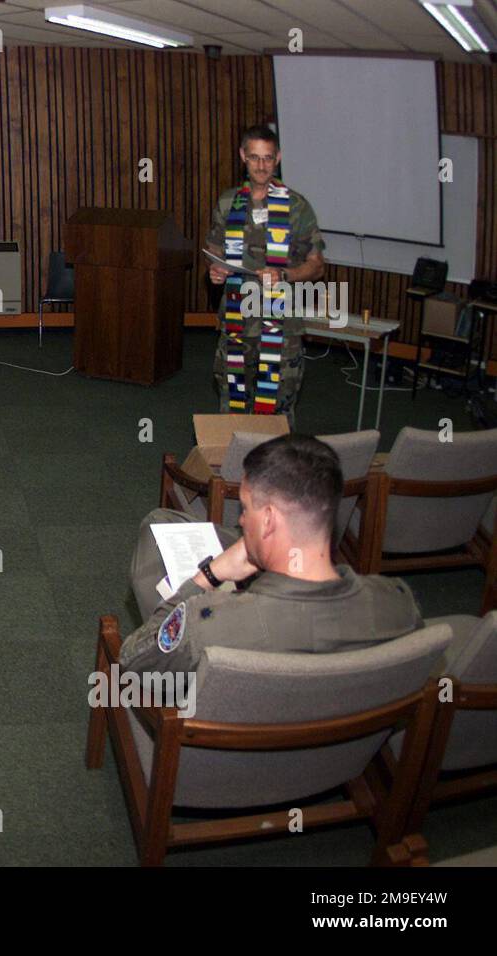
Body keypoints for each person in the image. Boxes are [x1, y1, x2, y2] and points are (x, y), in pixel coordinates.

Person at [121, 434, 422, 676]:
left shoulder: (211, 627)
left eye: (245, 508)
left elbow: (134, 659)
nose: (240, 521)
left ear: (268, 520)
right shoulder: (399, 602)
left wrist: (207, 576)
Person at [205, 125, 325, 422]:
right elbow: (214, 248)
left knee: (277, 412)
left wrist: (284, 275)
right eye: (254, 158)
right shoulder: (228, 202)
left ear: (278, 158)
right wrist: (216, 269)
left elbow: (317, 265)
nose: (261, 166)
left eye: (268, 158)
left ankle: (277, 468)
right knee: (231, 404)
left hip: (282, 326)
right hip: (237, 321)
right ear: (243, 156)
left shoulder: (297, 207)